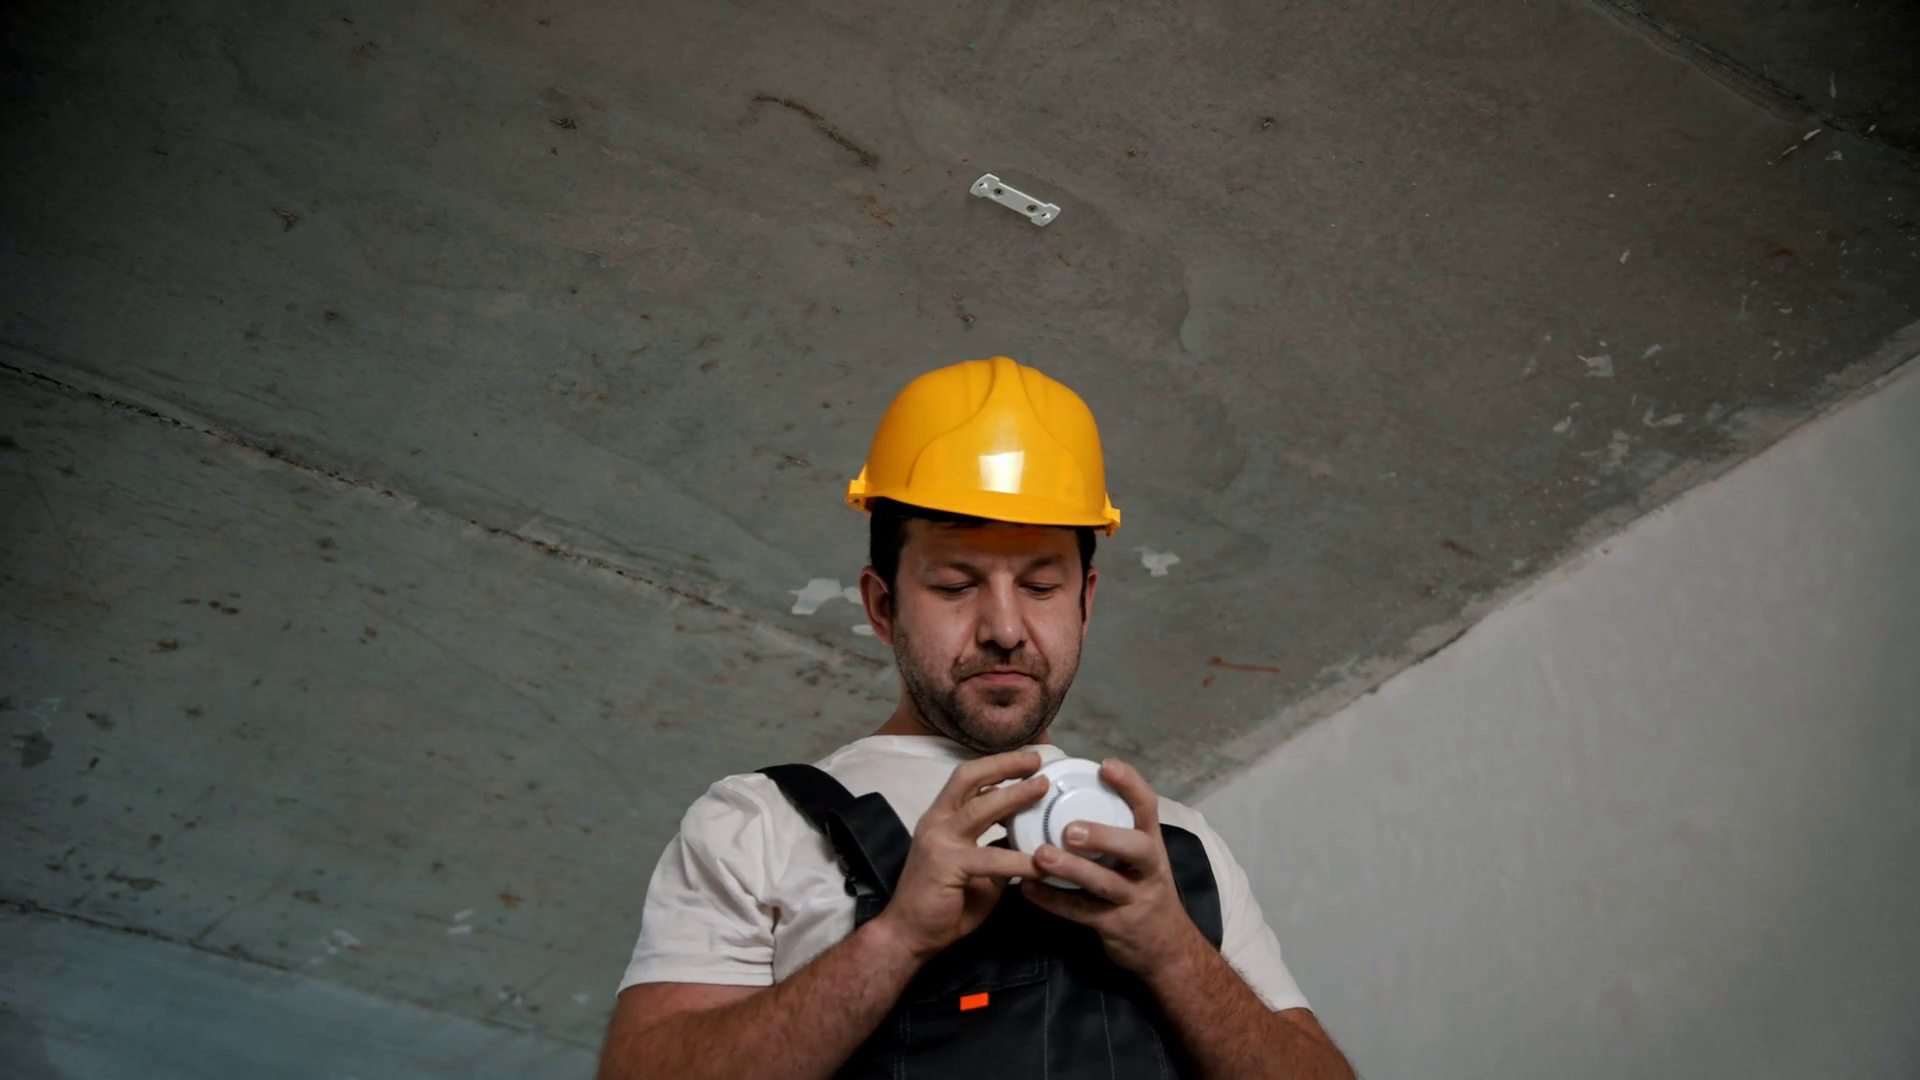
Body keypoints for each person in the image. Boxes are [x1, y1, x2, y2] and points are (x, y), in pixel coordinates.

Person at [597, 357, 1354, 1079]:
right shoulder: (759, 823)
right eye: (957, 585)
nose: (1003, 627)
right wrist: (896, 940)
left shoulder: (1182, 850)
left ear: (1086, 602)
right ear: (882, 605)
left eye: (1041, 586)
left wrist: (1170, 951)